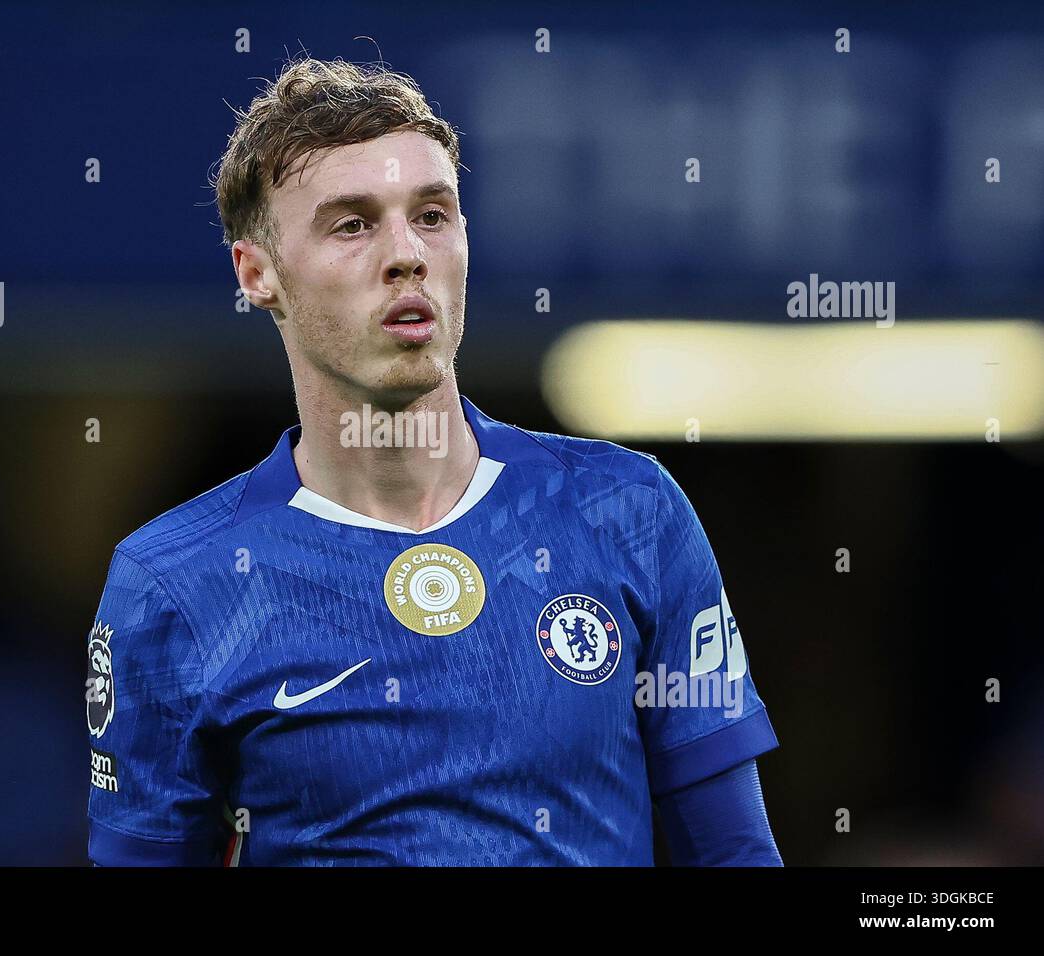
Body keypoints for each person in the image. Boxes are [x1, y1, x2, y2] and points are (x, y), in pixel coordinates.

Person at [86, 56, 781, 866]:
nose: (406, 255)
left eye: (432, 215)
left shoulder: (629, 511)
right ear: (258, 273)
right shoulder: (171, 583)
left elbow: (734, 854)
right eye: (353, 224)